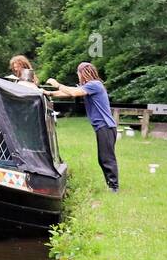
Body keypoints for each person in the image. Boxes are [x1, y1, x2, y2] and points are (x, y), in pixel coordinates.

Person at [46, 62, 118, 192]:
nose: (78, 76)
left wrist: (57, 84)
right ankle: (111, 185)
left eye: (78, 74)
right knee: (103, 158)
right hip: (103, 127)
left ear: (83, 73)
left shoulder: (94, 85)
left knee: (106, 158)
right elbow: (67, 93)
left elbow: (73, 93)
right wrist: (48, 93)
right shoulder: (89, 86)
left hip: (105, 126)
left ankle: (114, 187)